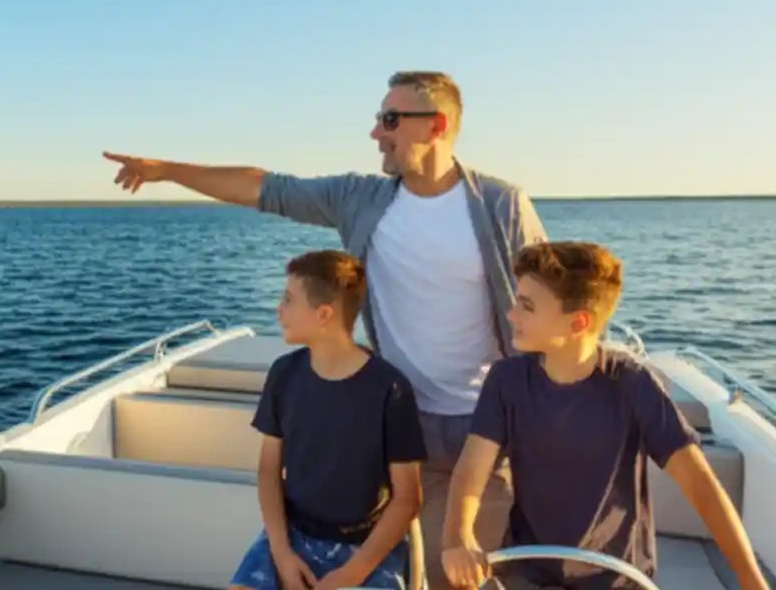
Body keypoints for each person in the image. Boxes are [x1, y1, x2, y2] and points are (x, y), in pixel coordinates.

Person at [105, 71, 547, 589]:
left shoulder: (500, 205)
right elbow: (268, 188)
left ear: (437, 125)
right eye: (379, 119)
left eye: (390, 119)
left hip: (487, 428)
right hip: (403, 423)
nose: (376, 132)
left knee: (468, 576)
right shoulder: (360, 199)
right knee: (420, 569)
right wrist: (166, 171)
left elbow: (548, 303)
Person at [441, 241, 769, 590]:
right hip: (529, 575)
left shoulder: (634, 385)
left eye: (527, 306)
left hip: (618, 580)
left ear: (578, 322)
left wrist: (751, 580)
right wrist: (458, 537)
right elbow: (471, 469)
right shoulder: (506, 381)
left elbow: (699, 484)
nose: (512, 314)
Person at [229, 249, 426, 590]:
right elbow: (268, 472)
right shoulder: (283, 374)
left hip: (367, 550)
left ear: (323, 314)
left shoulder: (390, 389)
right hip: (292, 536)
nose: (278, 310)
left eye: (288, 300)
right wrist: (282, 555)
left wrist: (352, 574)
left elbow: (407, 498)